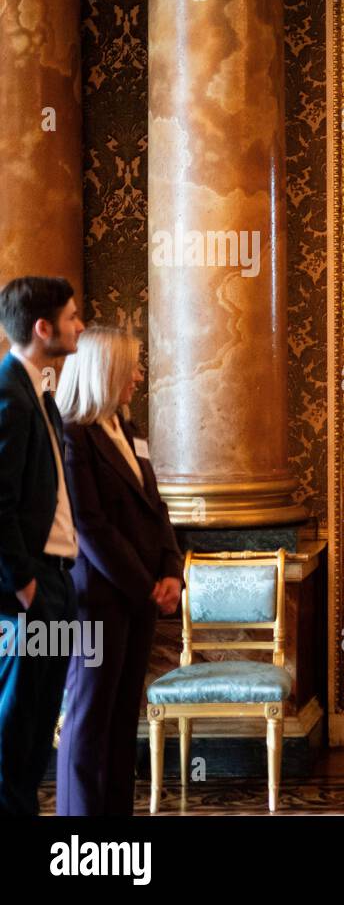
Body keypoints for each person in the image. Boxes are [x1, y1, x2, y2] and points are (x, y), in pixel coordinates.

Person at [55, 327, 183, 815]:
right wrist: (145, 584)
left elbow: (156, 507)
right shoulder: (72, 434)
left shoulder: (127, 430)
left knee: (121, 723)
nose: (139, 375)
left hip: (138, 599)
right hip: (96, 602)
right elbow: (89, 525)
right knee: (88, 725)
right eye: (132, 365)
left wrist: (171, 569)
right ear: (105, 371)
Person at [0, 276, 84, 815]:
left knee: (38, 723)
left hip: (54, 581)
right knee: (17, 726)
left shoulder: (40, 392)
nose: (80, 326)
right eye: (73, 317)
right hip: (29, 590)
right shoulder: (8, 391)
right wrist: (25, 583)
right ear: (43, 327)